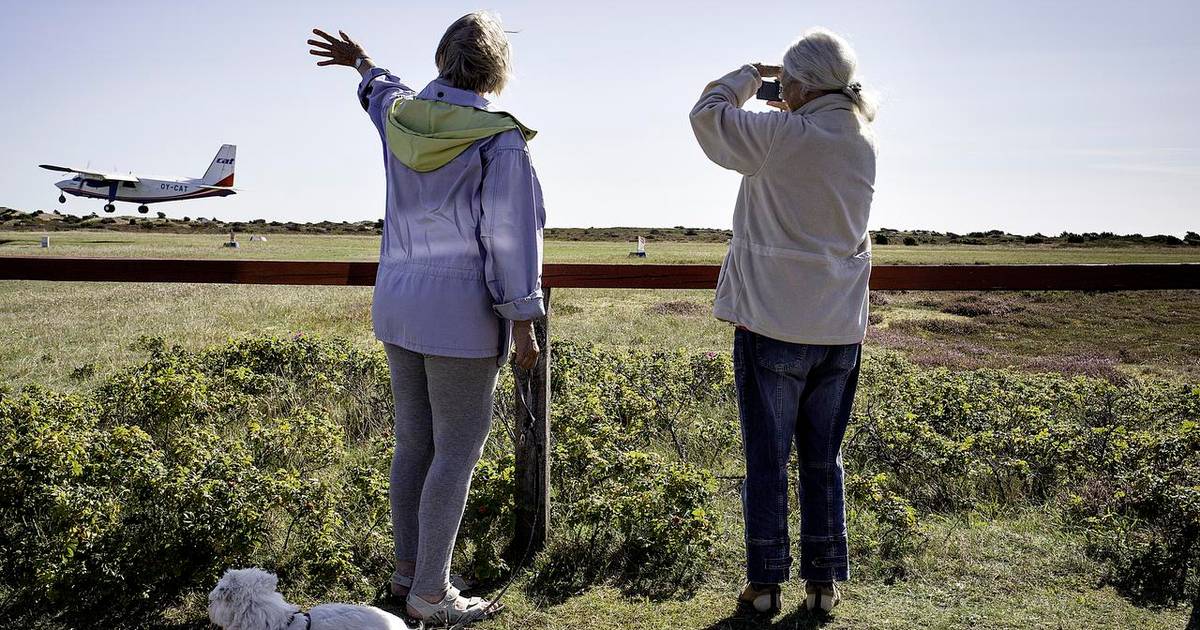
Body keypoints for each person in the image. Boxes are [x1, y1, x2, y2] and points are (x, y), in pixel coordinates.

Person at [308, 12, 544, 625]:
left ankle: (410, 569)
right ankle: (431, 594)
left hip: (398, 302)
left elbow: (380, 90)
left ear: (443, 59)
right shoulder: (499, 138)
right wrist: (523, 317)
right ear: (497, 68)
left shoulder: (404, 117)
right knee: (457, 451)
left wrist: (361, 63)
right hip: (460, 314)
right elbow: (510, 235)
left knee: (415, 442)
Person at [689, 27, 879, 616]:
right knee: (824, 461)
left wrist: (752, 74)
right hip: (839, 327)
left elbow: (707, 115)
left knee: (767, 462)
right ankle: (823, 585)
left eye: (788, 82)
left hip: (772, 322)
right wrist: (794, 98)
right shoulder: (862, 140)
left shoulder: (778, 136)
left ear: (801, 85)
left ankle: (766, 583)